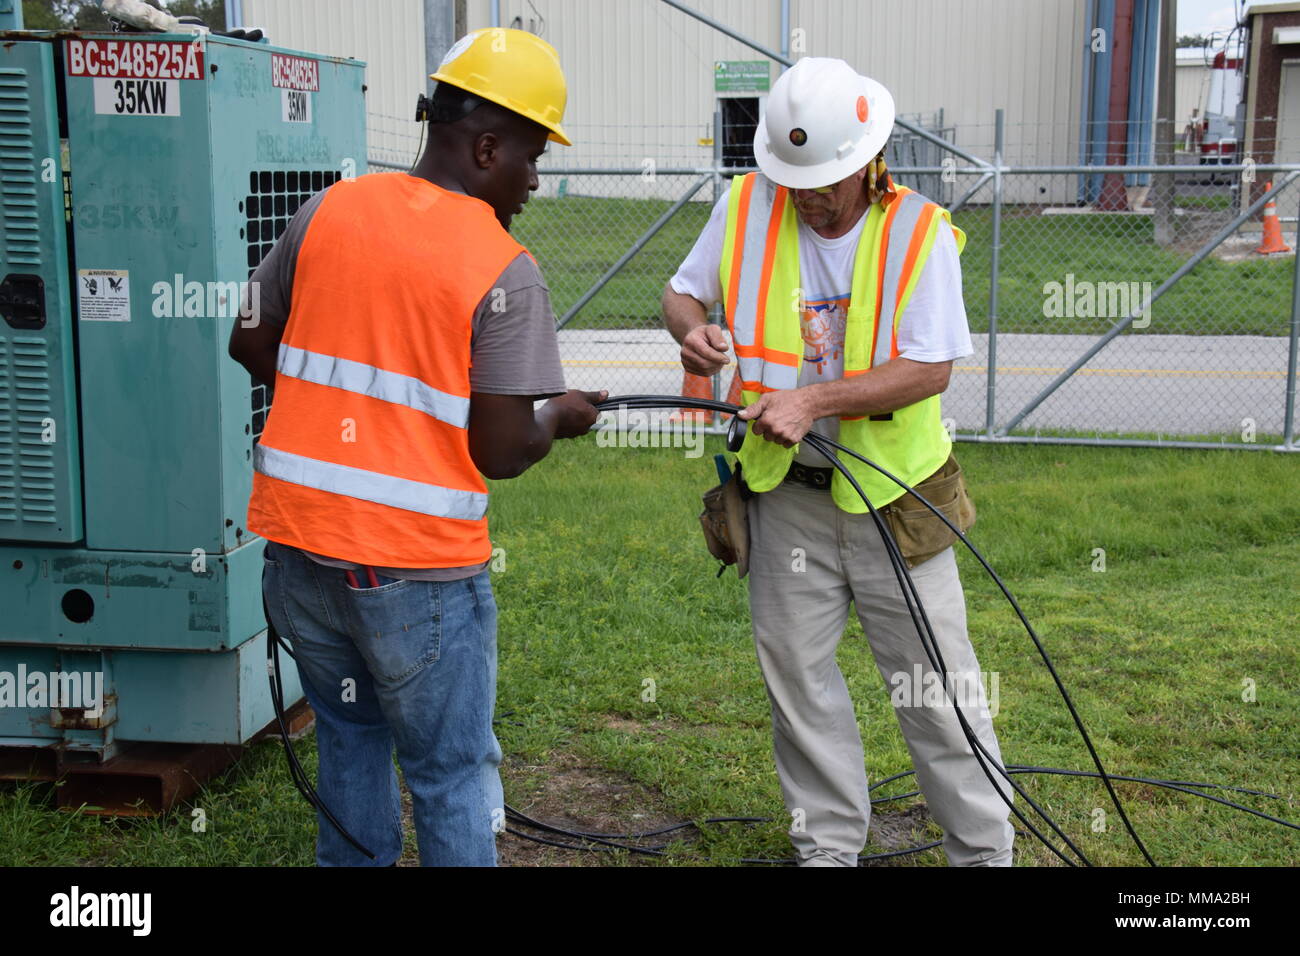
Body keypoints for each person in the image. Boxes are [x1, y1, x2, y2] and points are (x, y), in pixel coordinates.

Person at [228, 28, 604, 867]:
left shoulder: (330, 208)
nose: (535, 180)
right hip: (418, 577)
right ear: (483, 147)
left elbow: (250, 338)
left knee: (351, 743)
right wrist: (561, 415)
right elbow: (504, 449)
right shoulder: (503, 267)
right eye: (532, 158)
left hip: (298, 556)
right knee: (447, 775)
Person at [662, 57, 1015, 866]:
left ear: (865, 161)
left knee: (934, 690)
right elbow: (682, 291)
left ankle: (983, 853)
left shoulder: (919, 231)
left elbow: (930, 367)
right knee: (798, 683)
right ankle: (825, 848)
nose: (809, 197)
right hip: (786, 496)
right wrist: (690, 330)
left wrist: (813, 401)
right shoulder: (750, 205)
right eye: (796, 179)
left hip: (899, 499)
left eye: (824, 180)